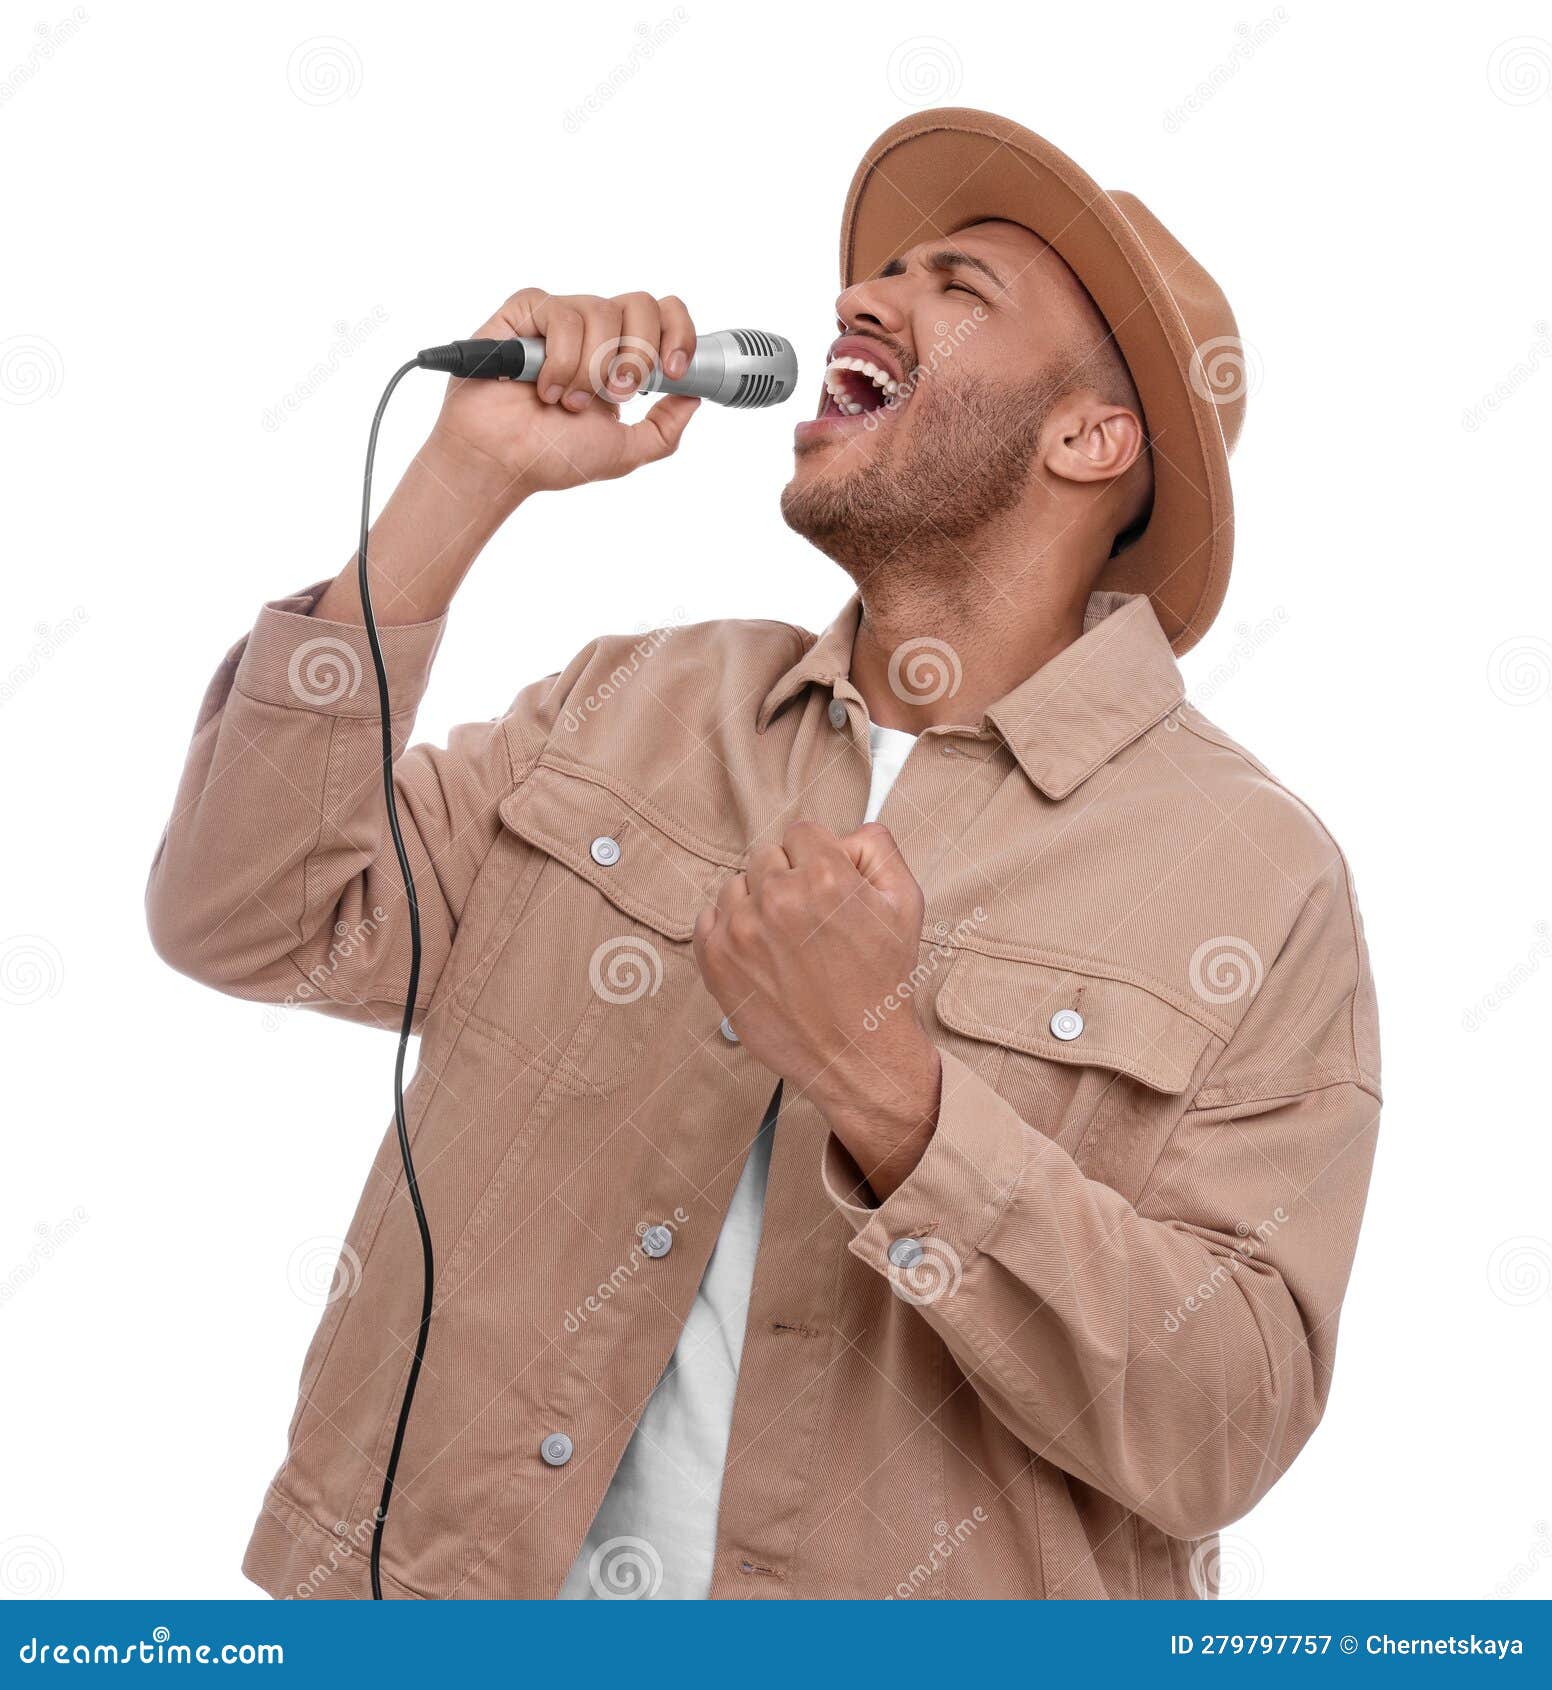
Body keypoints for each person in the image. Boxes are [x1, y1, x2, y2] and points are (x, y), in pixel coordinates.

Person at [148, 108, 1381, 1600]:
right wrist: (460, 487)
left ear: (1089, 437)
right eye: (883, 273)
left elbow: (1225, 1420)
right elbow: (249, 915)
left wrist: (895, 1090)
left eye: (957, 289)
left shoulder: (1253, 874)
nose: (862, 300)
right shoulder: (637, 704)